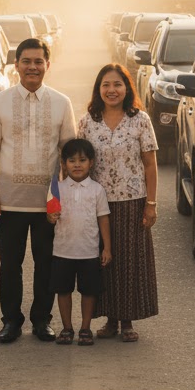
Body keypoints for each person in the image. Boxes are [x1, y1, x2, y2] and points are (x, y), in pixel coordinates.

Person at [0, 37, 76, 343]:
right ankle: (10, 321)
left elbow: (70, 153)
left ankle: (41, 320)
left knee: (46, 263)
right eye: (26, 61)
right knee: (10, 264)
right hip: (9, 200)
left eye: (38, 62)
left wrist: (67, 198)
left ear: (48, 65)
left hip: (48, 202)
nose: (32, 67)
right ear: (16, 66)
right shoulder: (0, 102)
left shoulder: (62, 103)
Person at [77, 63, 159, 342]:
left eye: (117, 85)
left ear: (127, 88)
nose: (111, 90)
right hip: (97, 203)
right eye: (106, 85)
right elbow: (79, 161)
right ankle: (110, 319)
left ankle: (127, 321)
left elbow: (150, 164)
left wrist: (151, 203)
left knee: (130, 262)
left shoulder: (140, 120)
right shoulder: (88, 121)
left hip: (132, 202)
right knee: (103, 261)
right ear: (98, 90)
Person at [46, 138, 112, 346]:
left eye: (82, 160)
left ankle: (85, 328)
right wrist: (51, 217)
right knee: (63, 290)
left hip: (89, 252)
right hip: (63, 251)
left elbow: (103, 218)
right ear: (64, 163)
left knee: (89, 291)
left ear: (91, 163)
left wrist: (107, 248)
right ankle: (67, 328)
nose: (77, 165)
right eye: (72, 160)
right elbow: (50, 215)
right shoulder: (56, 188)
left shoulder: (96, 190)